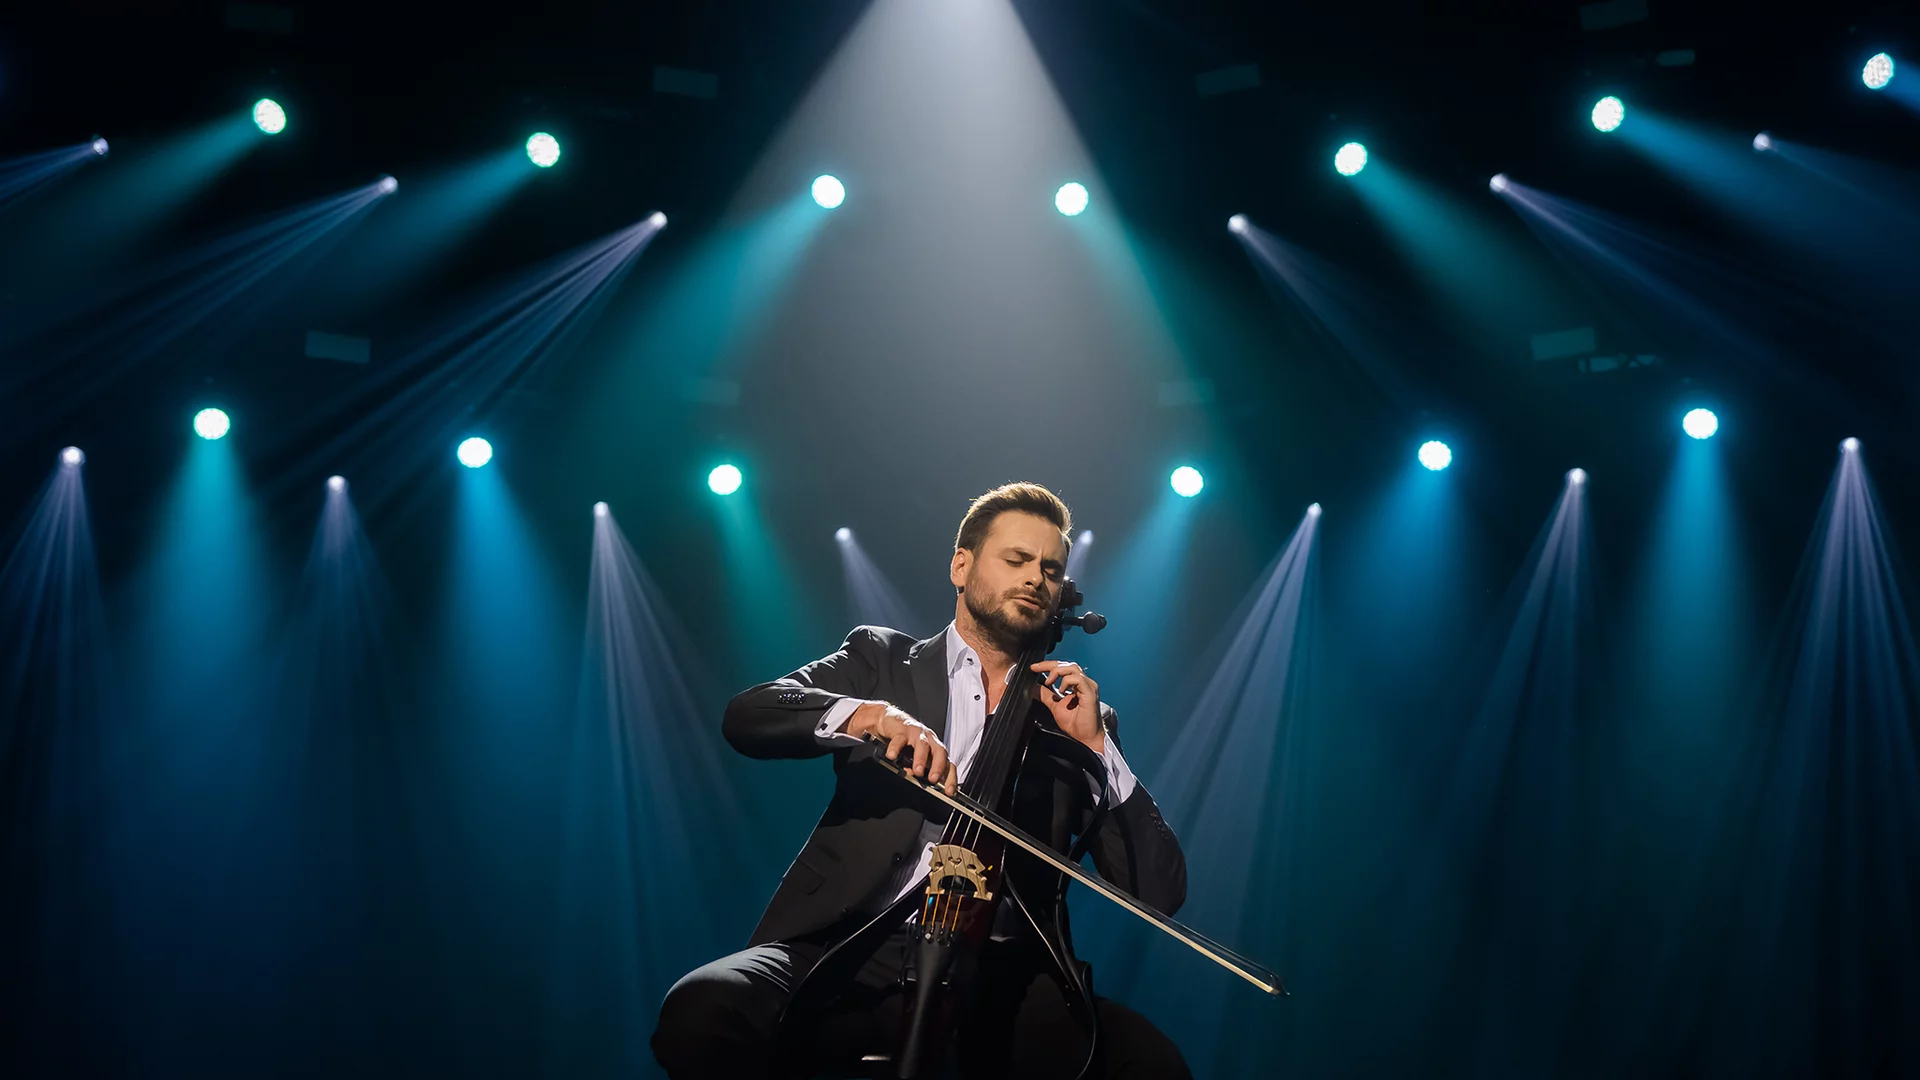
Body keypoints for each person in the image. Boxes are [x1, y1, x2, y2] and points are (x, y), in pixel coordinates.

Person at [652, 483, 1190, 1079]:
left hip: (1000, 973)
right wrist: (866, 714)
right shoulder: (882, 661)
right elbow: (750, 714)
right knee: (702, 1012)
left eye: (1051, 568)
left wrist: (1097, 749)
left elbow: (1157, 891)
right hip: (845, 947)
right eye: (1016, 560)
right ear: (961, 566)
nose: (1037, 578)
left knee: (1151, 1066)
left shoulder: (1076, 719)